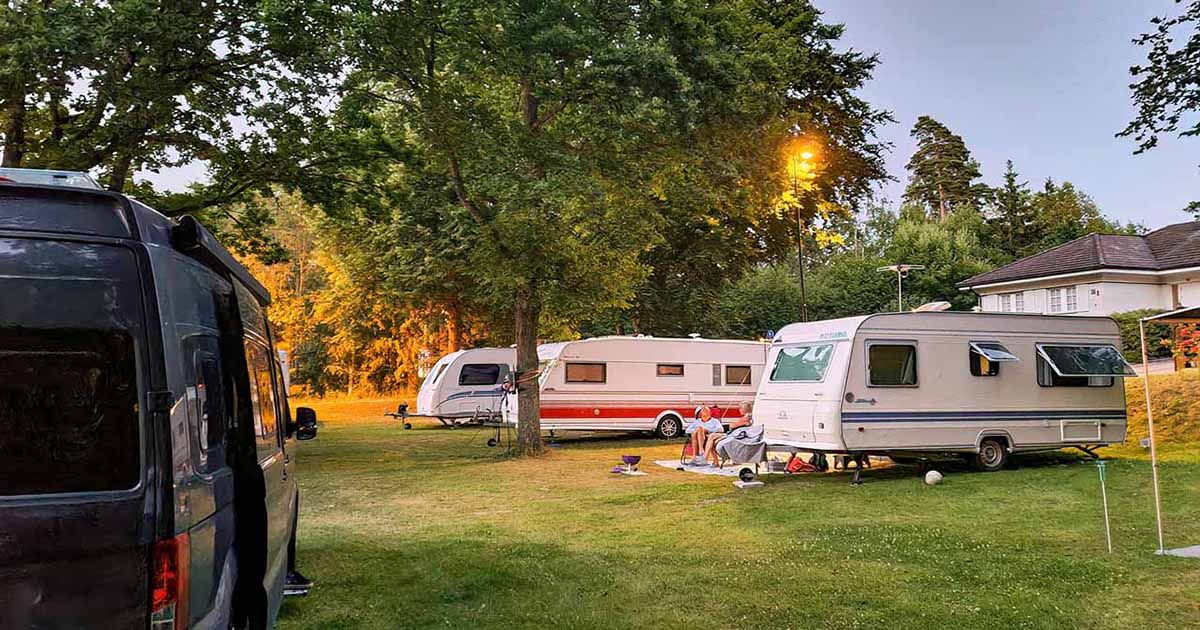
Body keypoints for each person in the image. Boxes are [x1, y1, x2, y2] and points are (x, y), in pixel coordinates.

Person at [705, 401, 753, 467]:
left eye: (740, 408)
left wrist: (721, 428)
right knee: (711, 438)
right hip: (735, 435)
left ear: (745, 409)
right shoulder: (748, 417)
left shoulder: (745, 418)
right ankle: (711, 460)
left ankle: (706, 459)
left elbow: (732, 426)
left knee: (711, 436)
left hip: (733, 436)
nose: (739, 409)